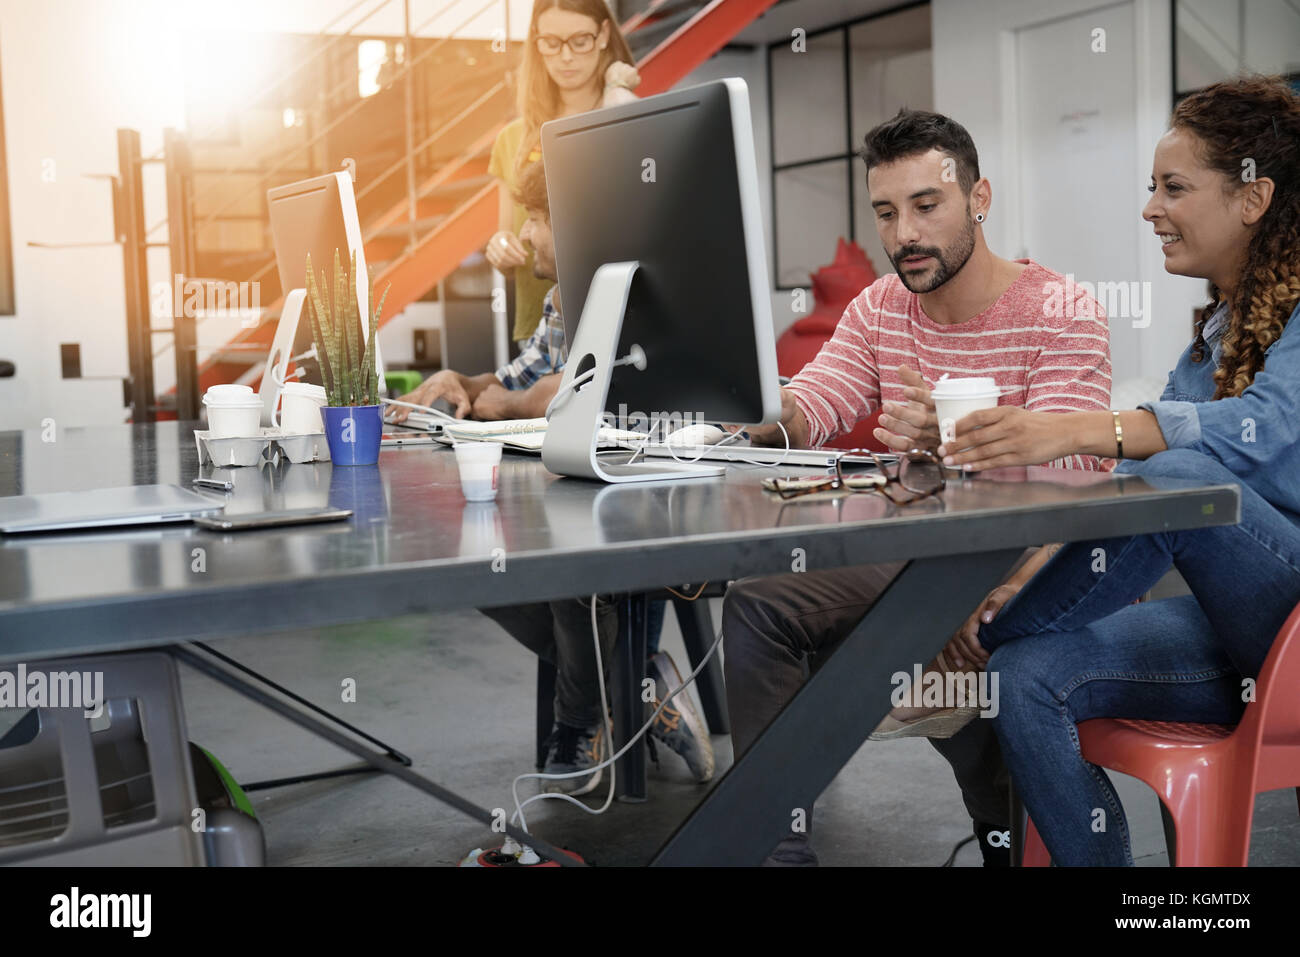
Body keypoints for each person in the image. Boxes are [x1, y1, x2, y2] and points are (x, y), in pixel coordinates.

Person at [727, 108, 1113, 865]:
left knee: (974, 660)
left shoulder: (1060, 310)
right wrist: (739, 414)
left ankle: (1009, 825)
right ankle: (777, 853)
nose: (903, 232)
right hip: (916, 553)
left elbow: (1074, 479)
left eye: (925, 205)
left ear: (980, 198)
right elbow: (815, 405)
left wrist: (955, 445)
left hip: (1027, 557)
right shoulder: (879, 307)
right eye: (885, 211)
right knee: (763, 601)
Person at [932, 74, 1300, 866]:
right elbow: (1136, 509)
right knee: (1026, 676)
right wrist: (1028, 575)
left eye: (1173, 187)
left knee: (1184, 479)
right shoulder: (1218, 332)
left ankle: (990, 632)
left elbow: (1268, 432)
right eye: (1150, 187)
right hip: (1234, 631)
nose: (1150, 208)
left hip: (1290, 623)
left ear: (1252, 197)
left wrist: (1076, 430)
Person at [392, 161, 712, 793]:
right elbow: (516, 385)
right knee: (469, 557)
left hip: (651, 499)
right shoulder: (560, 299)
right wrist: (465, 383)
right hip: (569, 489)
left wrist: (521, 401)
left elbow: (585, 392)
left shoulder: (633, 298)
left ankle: (579, 719)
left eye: (537, 219)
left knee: (572, 562)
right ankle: (642, 683)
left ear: (575, 227)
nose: (528, 235)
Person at [485, 0, 640, 347]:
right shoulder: (512, 139)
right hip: (540, 330)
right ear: (536, 42)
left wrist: (616, 92)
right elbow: (509, 242)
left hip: (618, 320)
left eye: (580, 40)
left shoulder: (626, 113)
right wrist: (501, 248)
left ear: (603, 35)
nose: (566, 57)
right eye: (551, 43)